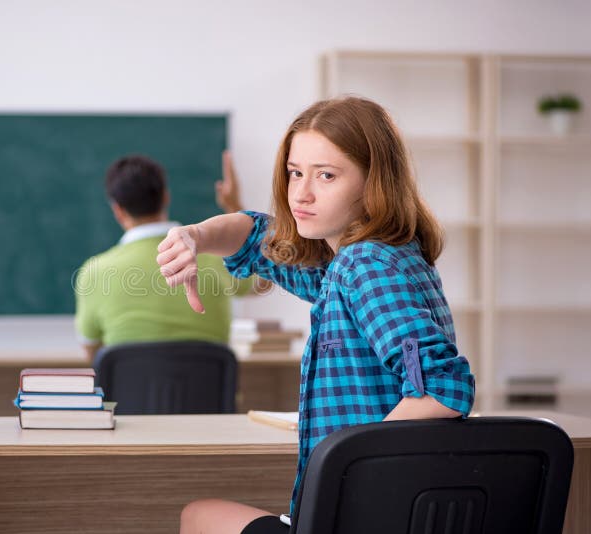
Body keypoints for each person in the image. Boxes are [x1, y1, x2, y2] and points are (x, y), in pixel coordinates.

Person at [156, 96, 476, 534]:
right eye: (295, 173)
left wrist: (351, 463)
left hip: (358, 512)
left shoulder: (362, 266)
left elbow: (443, 387)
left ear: (373, 181)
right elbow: (253, 237)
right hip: (385, 509)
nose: (301, 193)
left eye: (326, 175)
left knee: (198, 515)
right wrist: (194, 236)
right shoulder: (368, 261)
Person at [73, 152, 255, 363]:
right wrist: (235, 208)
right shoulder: (218, 258)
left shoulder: (94, 272)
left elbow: (94, 356)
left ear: (118, 210)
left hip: (129, 395)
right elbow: (261, 275)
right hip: (209, 395)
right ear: (166, 196)